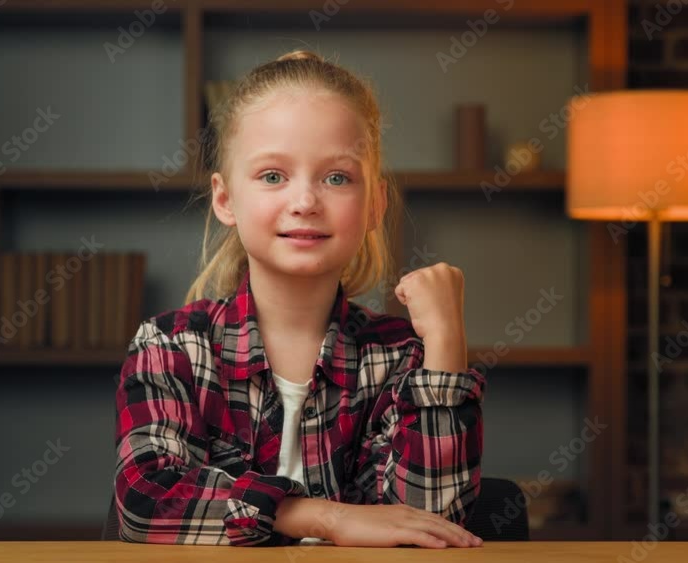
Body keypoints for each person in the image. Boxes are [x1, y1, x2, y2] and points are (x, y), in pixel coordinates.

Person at [114, 49, 485, 548]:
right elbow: (146, 501)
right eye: (273, 176)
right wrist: (323, 518)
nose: (306, 201)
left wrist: (445, 343)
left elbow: (431, 527)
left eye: (337, 177)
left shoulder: (404, 357)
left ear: (374, 203)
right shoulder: (170, 346)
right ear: (225, 199)